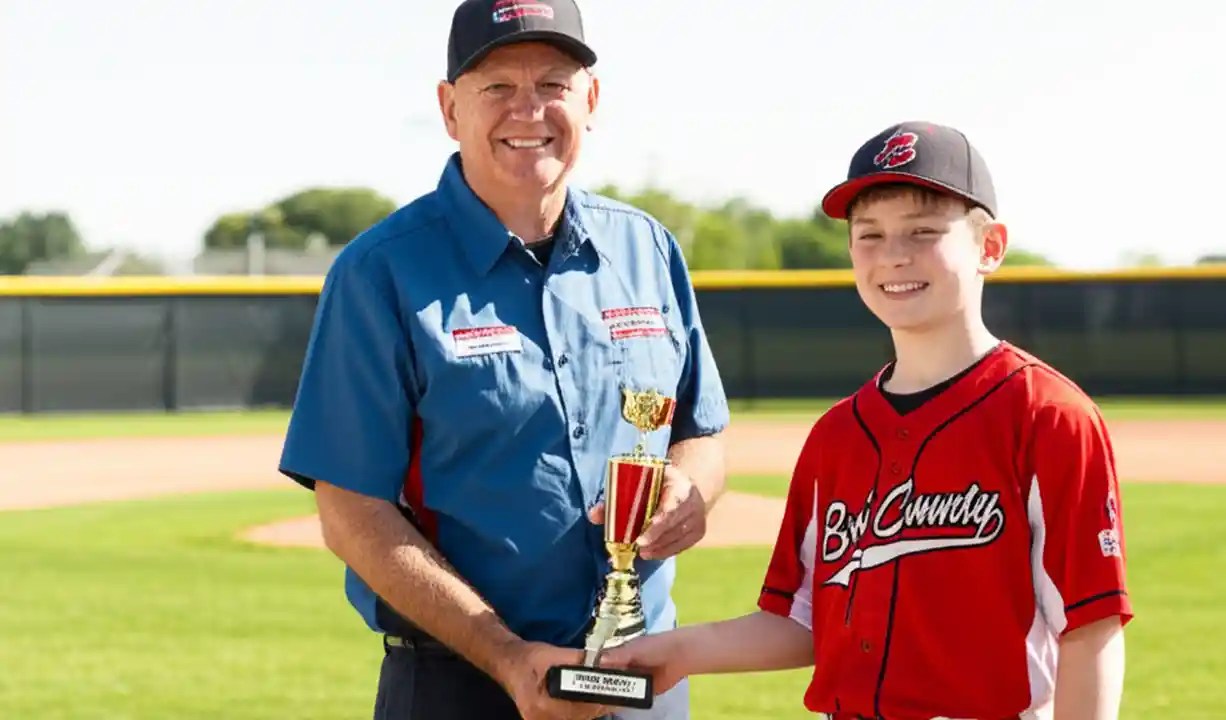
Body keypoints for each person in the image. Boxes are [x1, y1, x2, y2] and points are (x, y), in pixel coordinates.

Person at [276, 1, 729, 718]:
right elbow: (350, 511)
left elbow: (700, 434)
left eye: (552, 83)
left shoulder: (648, 251)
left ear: (591, 100)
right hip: (462, 683)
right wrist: (505, 654)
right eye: (496, 87)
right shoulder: (381, 273)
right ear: (450, 108)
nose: (529, 110)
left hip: (643, 675)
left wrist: (689, 492)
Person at [603, 121, 1134, 719]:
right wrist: (675, 650)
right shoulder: (836, 437)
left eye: (923, 231)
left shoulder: (1049, 417)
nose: (893, 255)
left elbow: (1089, 626)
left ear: (989, 246)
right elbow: (802, 618)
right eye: (870, 234)